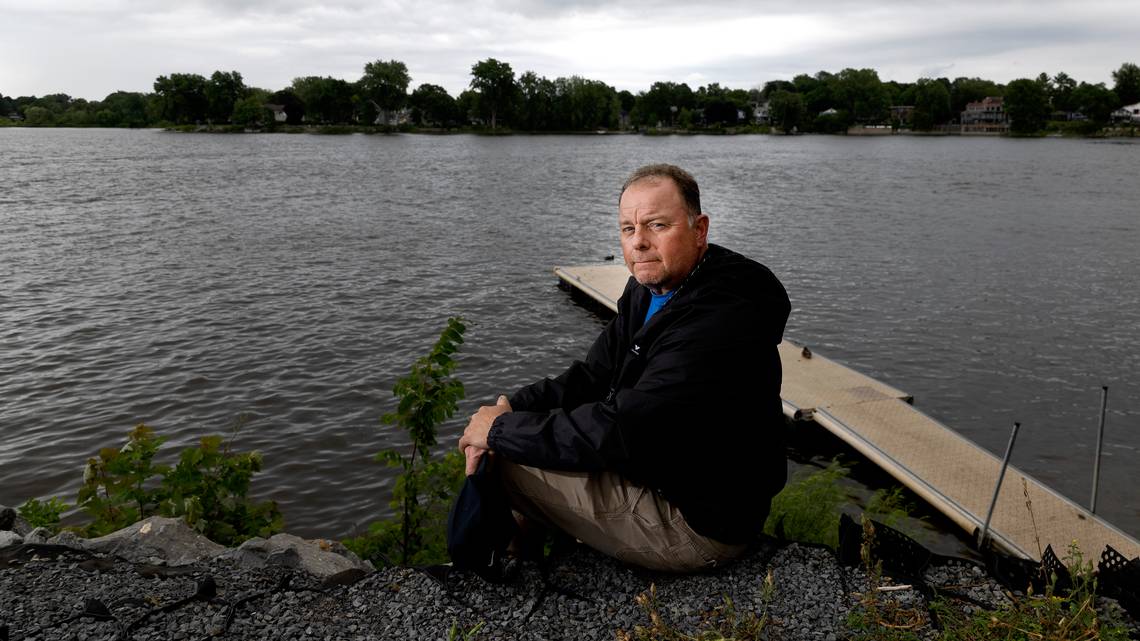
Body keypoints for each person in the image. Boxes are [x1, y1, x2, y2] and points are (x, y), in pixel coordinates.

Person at [458, 164, 790, 572]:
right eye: (628, 229)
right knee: (518, 435)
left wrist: (498, 432)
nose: (639, 242)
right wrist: (511, 407)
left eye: (657, 225)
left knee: (504, 462)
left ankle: (509, 571)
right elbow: (593, 376)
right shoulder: (648, 289)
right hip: (662, 472)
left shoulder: (717, 320)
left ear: (699, 230)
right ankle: (536, 556)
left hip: (699, 523)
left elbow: (621, 429)